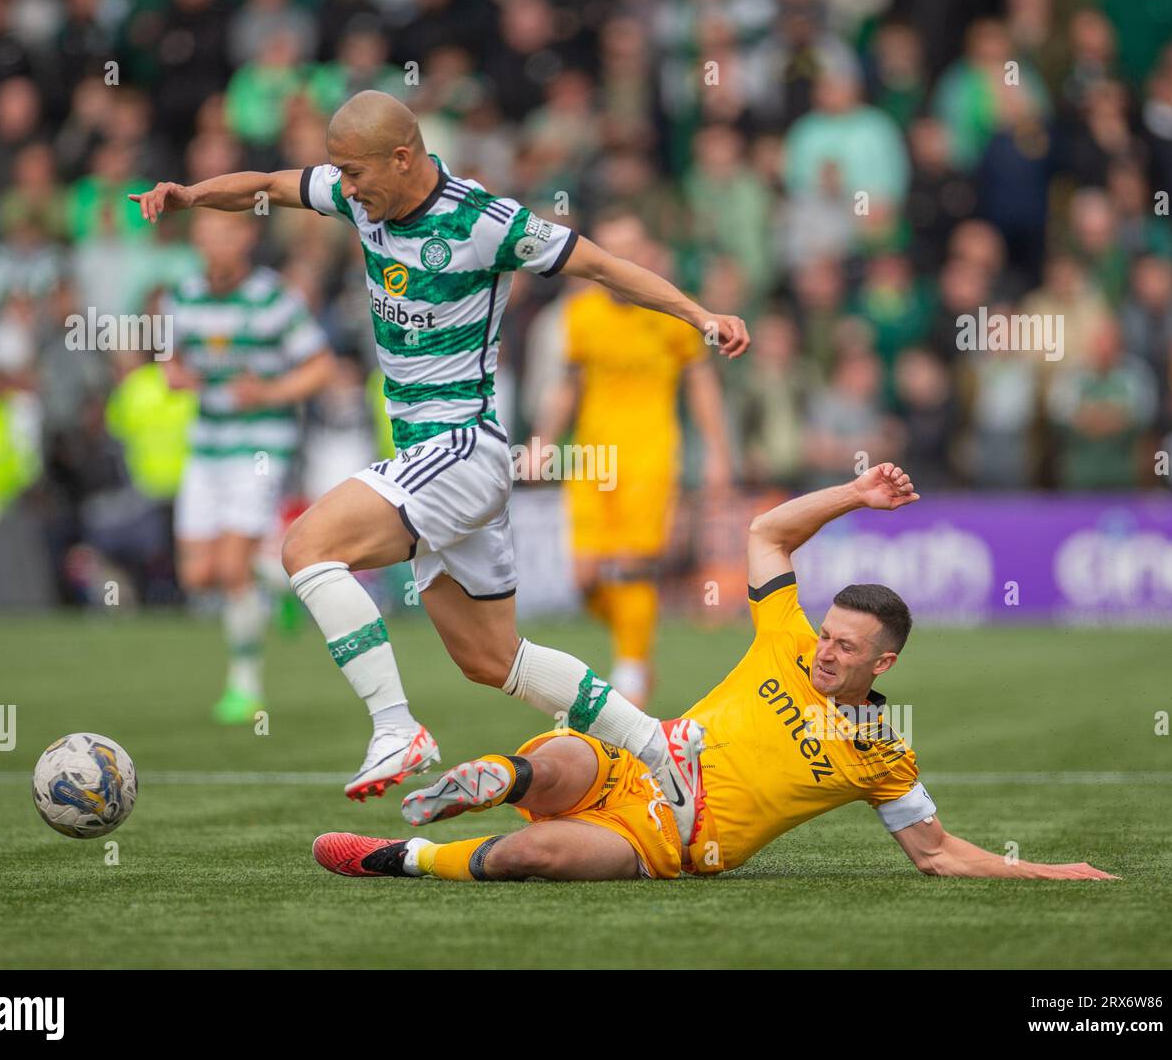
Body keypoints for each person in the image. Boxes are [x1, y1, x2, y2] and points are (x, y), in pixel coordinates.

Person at [130, 91, 750, 848]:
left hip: (462, 447)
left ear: (403, 156)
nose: (345, 188)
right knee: (494, 659)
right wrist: (191, 193)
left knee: (305, 548)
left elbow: (602, 265)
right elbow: (265, 184)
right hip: (430, 458)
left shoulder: (485, 221)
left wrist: (700, 315)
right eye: (339, 175)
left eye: (355, 173)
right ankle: (663, 746)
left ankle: (396, 728)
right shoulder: (360, 199)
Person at [311, 463, 1117, 884]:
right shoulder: (786, 640)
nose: (825, 650)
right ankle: (496, 776)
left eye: (844, 647)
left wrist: (1044, 869)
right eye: (827, 634)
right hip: (639, 758)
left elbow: (937, 854)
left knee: (536, 860)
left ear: (885, 663)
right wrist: (855, 494)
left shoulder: (883, 755)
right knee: (565, 756)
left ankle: (396, 858)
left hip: (666, 840)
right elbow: (767, 533)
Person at [530, 209, 732, 707]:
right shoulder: (581, 314)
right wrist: (541, 441)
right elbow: (569, 385)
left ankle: (632, 671)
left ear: (647, 254)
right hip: (591, 458)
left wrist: (718, 453)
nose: (620, 259)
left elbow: (701, 384)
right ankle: (633, 644)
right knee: (584, 577)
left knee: (632, 567)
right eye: (611, 249)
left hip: (650, 456)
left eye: (630, 249)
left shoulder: (672, 312)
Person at [162, 210, 335, 722]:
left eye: (224, 234)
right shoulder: (184, 297)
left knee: (231, 568)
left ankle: (244, 687)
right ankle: (282, 581)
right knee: (197, 576)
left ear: (246, 237)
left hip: (261, 445)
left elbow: (321, 367)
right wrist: (173, 374)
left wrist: (269, 392)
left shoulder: (274, 299)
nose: (214, 244)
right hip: (207, 443)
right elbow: (171, 359)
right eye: (206, 235)